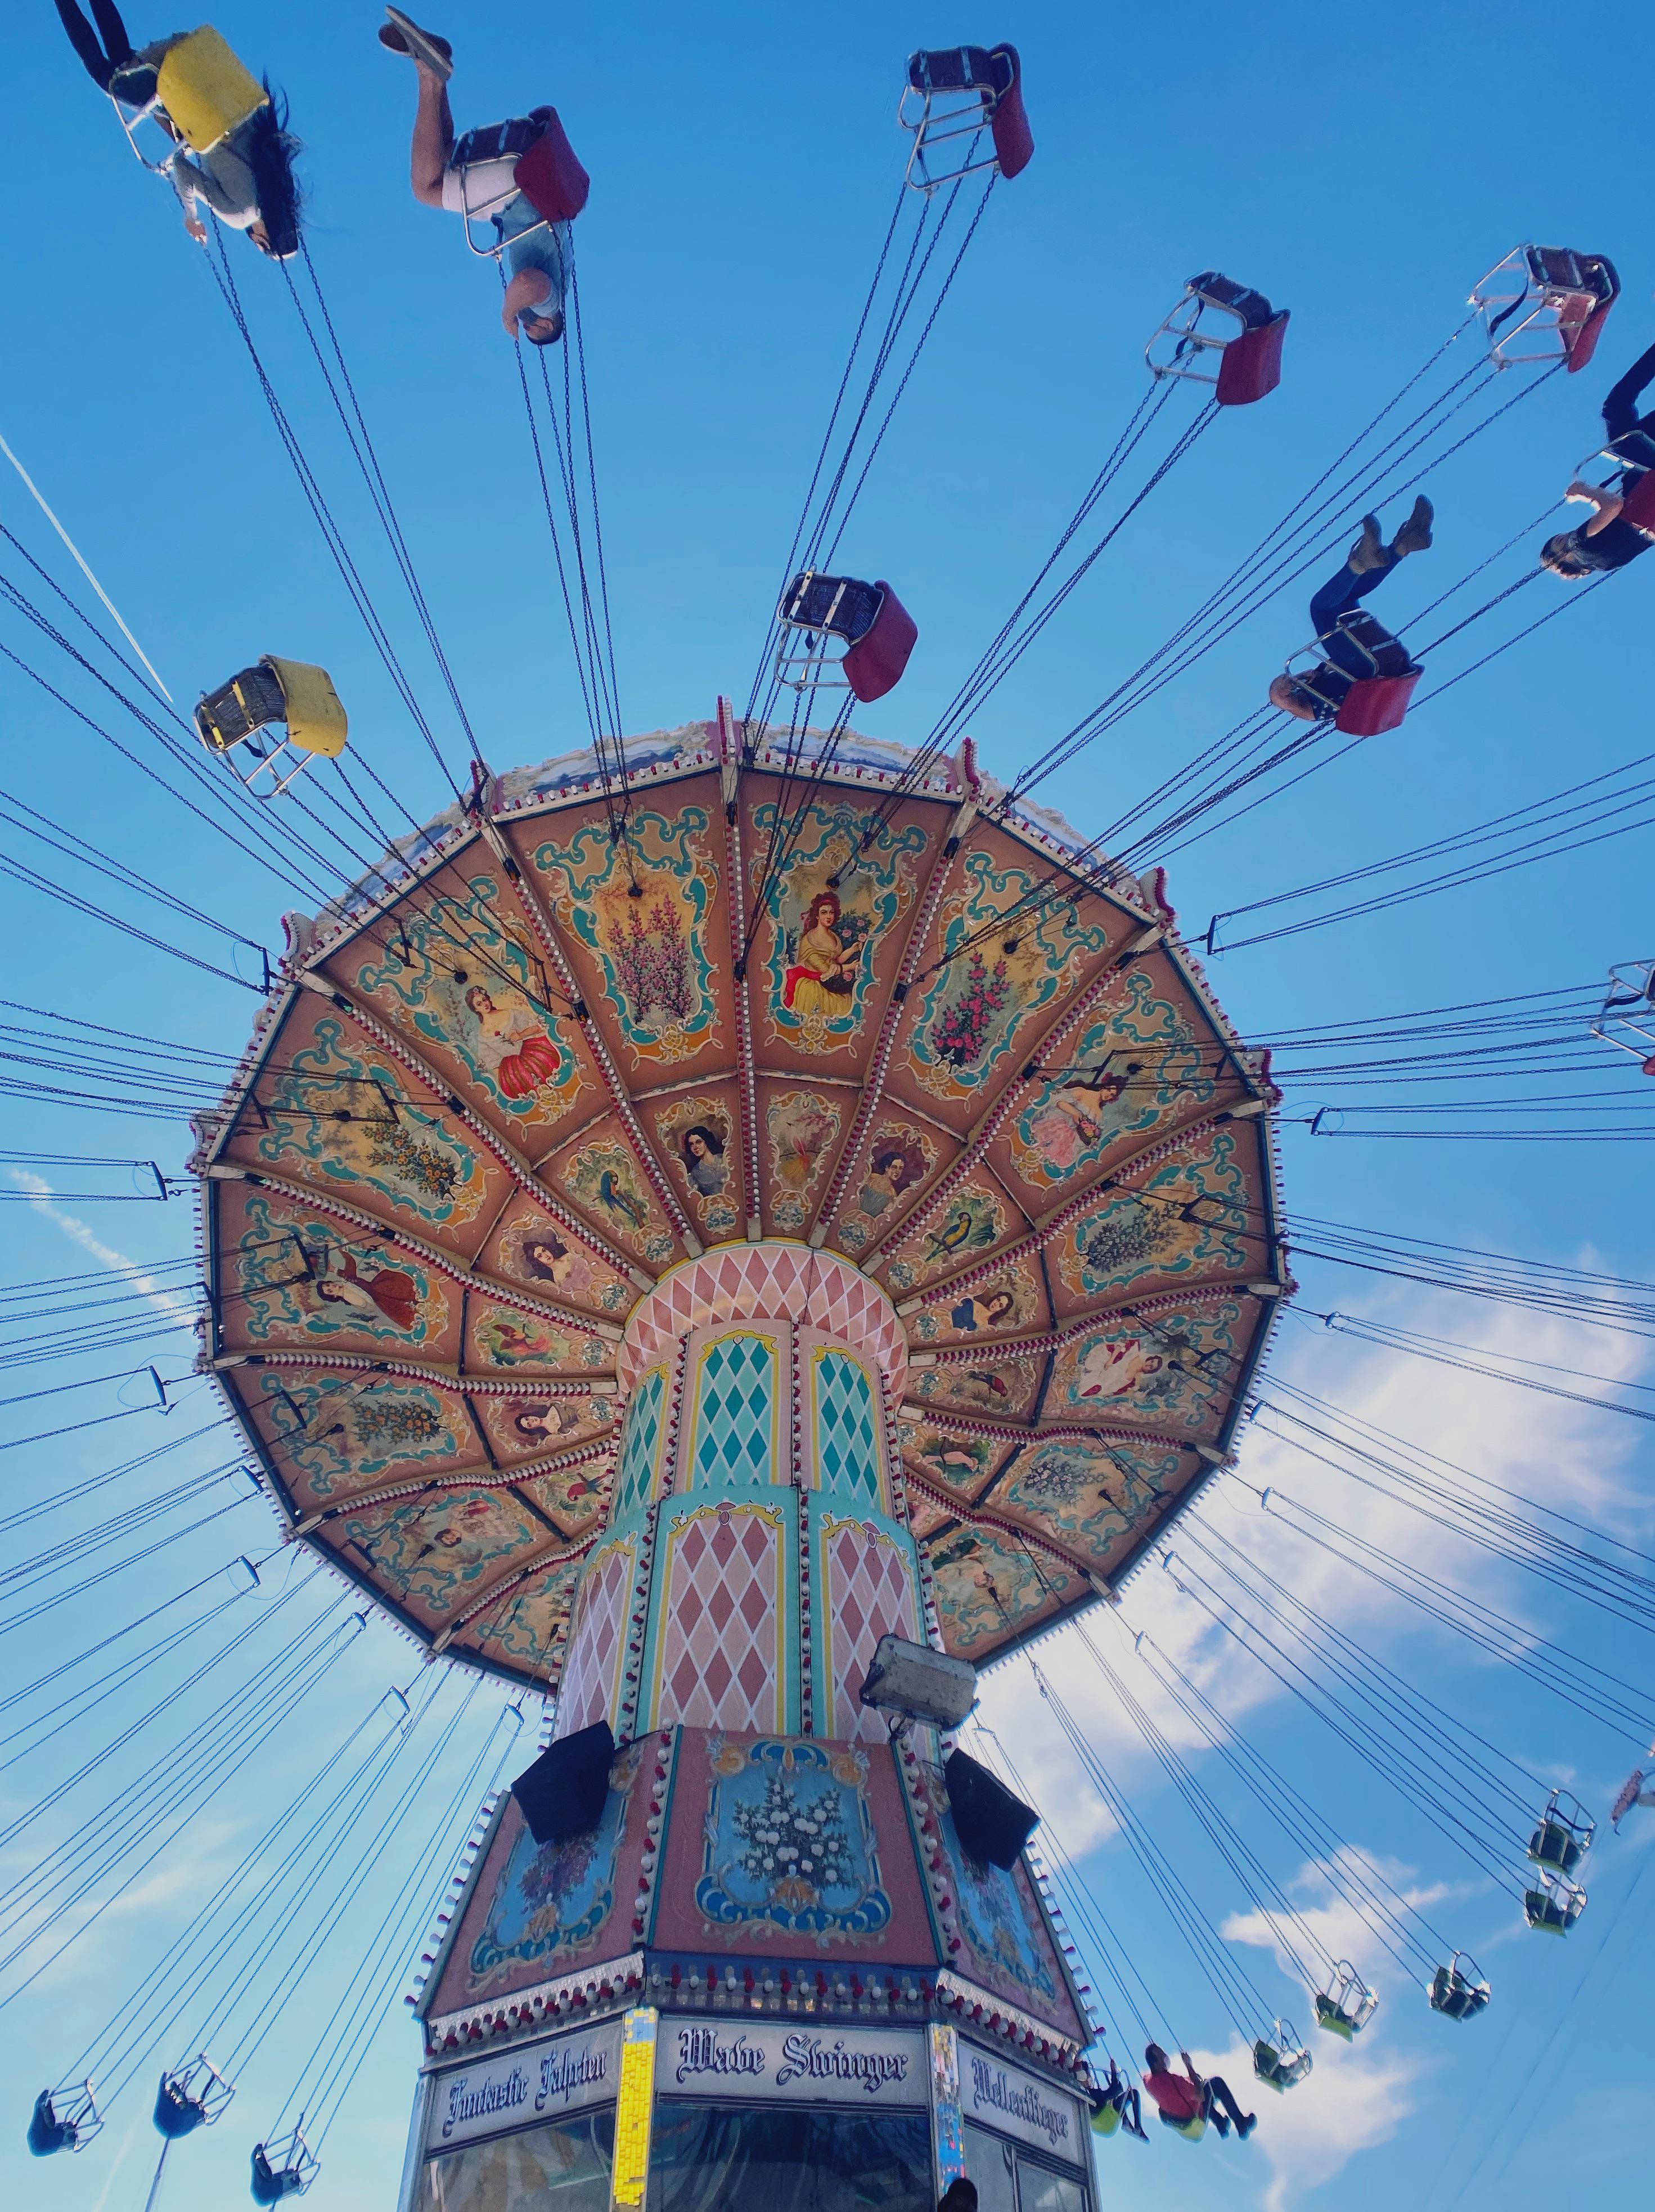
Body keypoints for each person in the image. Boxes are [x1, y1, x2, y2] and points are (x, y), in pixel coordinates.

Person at [378, 8, 572, 345]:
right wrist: (508, 315)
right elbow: (527, 284)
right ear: (546, 328)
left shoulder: (565, 269)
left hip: (522, 186)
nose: (528, 325)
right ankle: (429, 73)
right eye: (531, 330)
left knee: (438, 153)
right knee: (425, 188)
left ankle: (434, 63)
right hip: (517, 192)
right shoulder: (551, 305)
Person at [52, 2, 302, 256]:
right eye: (262, 248)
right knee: (107, 78)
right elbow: (183, 170)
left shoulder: (274, 174)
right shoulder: (241, 216)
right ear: (265, 240)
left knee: (123, 61)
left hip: (194, 57)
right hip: (168, 71)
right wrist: (191, 218)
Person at [1269, 500, 1434, 722]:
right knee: (1320, 609)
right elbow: (1289, 703)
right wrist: (1279, 693)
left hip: (1384, 663)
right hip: (1368, 669)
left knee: (1346, 602)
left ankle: (1405, 545)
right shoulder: (1319, 706)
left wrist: (1303, 678)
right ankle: (1360, 563)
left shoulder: (1328, 678)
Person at [1541, 339, 1655, 578]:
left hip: (1646, 488)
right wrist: (1584, 491)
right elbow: (1614, 507)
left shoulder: (1607, 563)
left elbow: (1616, 518)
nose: (1565, 538)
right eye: (1559, 542)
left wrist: (1595, 501)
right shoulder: (1579, 547)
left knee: (1640, 433)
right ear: (1563, 558)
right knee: (1615, 408)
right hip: (1645, 482)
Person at [1142, 2044, 1255, 2141]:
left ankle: (1221, 2124)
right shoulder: (1175, 2082)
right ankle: (1241, 2124)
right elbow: (1200, 2095)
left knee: (1204, 2090)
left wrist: (1189, 2080)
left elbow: (1175, 2093)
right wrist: (1189, 2066)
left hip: (1181, 2122)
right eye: (1162, 2056)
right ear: (1156, 2063)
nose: (1165, 2057)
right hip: (1195, 2122)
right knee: (1215, 2084)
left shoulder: (1148, 2081)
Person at [1098, 2056, 1149, 2140]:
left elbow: (1114, 2084)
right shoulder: (1116, 2087)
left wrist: (1113, 2071)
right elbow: (1114, 2084)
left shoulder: (1116, 2088)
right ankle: (1136, 2126)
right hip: (1110, 2106)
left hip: (1112, 2105)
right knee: (1134, 2094)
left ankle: (1126, 2122)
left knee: (1124, 2100)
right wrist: (1113, 2070)